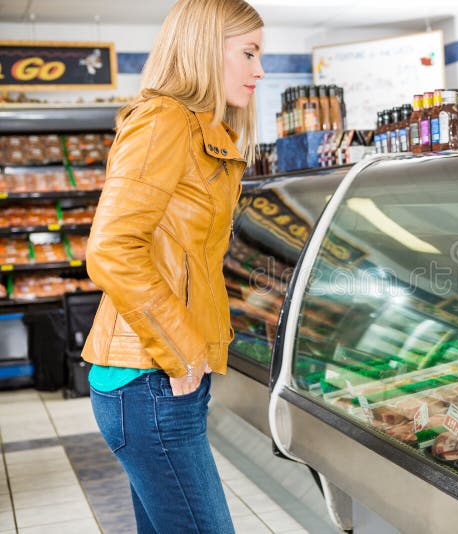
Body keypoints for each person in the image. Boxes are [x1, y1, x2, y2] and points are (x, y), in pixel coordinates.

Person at [81, 0, 264, 531]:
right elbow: (112, 248)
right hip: (150, 380)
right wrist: (183, 350)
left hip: (164, 378)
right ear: (206, 50)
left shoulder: (202, 131)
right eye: (248, 53)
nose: (259, 70)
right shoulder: (165, 121)